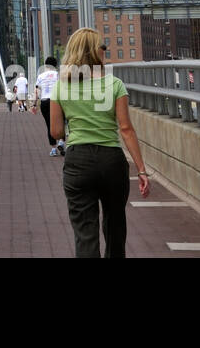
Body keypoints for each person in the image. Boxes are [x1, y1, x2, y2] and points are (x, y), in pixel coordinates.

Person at [50, 28, 151, 258]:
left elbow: (56, 132)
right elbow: (126, 129)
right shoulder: (114, 84)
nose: (105, 50)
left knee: (85, 233)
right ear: (95, 52)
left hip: (78, 160)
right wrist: (141, 170)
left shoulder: (61, 86)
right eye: (102, 47)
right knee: (116, 227)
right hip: (111, 161)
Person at [35, 56, 64, 156]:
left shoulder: (41, 76)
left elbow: (37, 91)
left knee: (49, 125)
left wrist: (34, 104)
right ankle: (61, 141)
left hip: (45, 101)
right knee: (62, 121)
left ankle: (53, 149)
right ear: (55, 65)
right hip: (57, 100)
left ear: (46, 65)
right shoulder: (58, 75)